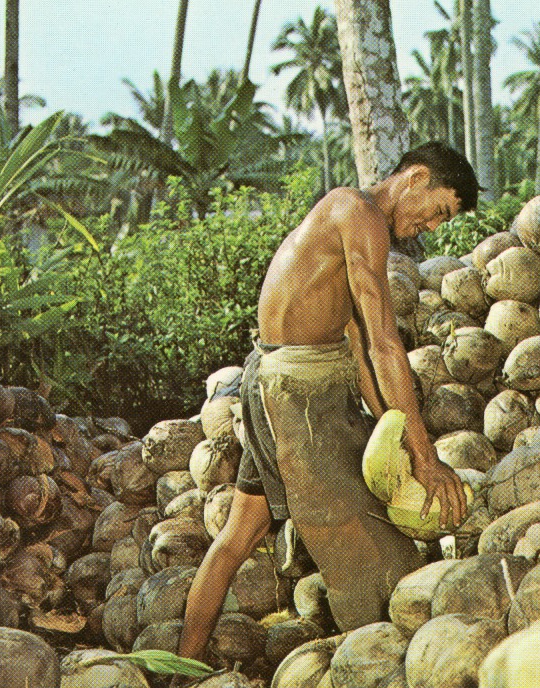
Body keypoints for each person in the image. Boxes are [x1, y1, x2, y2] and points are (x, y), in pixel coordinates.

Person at [178, 142, 477, 661]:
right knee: (362, 544)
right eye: (440, 210)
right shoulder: (355, 211)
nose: (433, 225)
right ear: (416, 177)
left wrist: (394, 435)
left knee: (240, 535)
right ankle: (384, 661)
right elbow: (385, 342)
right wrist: (426, 459)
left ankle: (178, 667)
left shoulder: (359, 226)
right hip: (289, 395)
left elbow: (360, 350)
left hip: (306, 388)